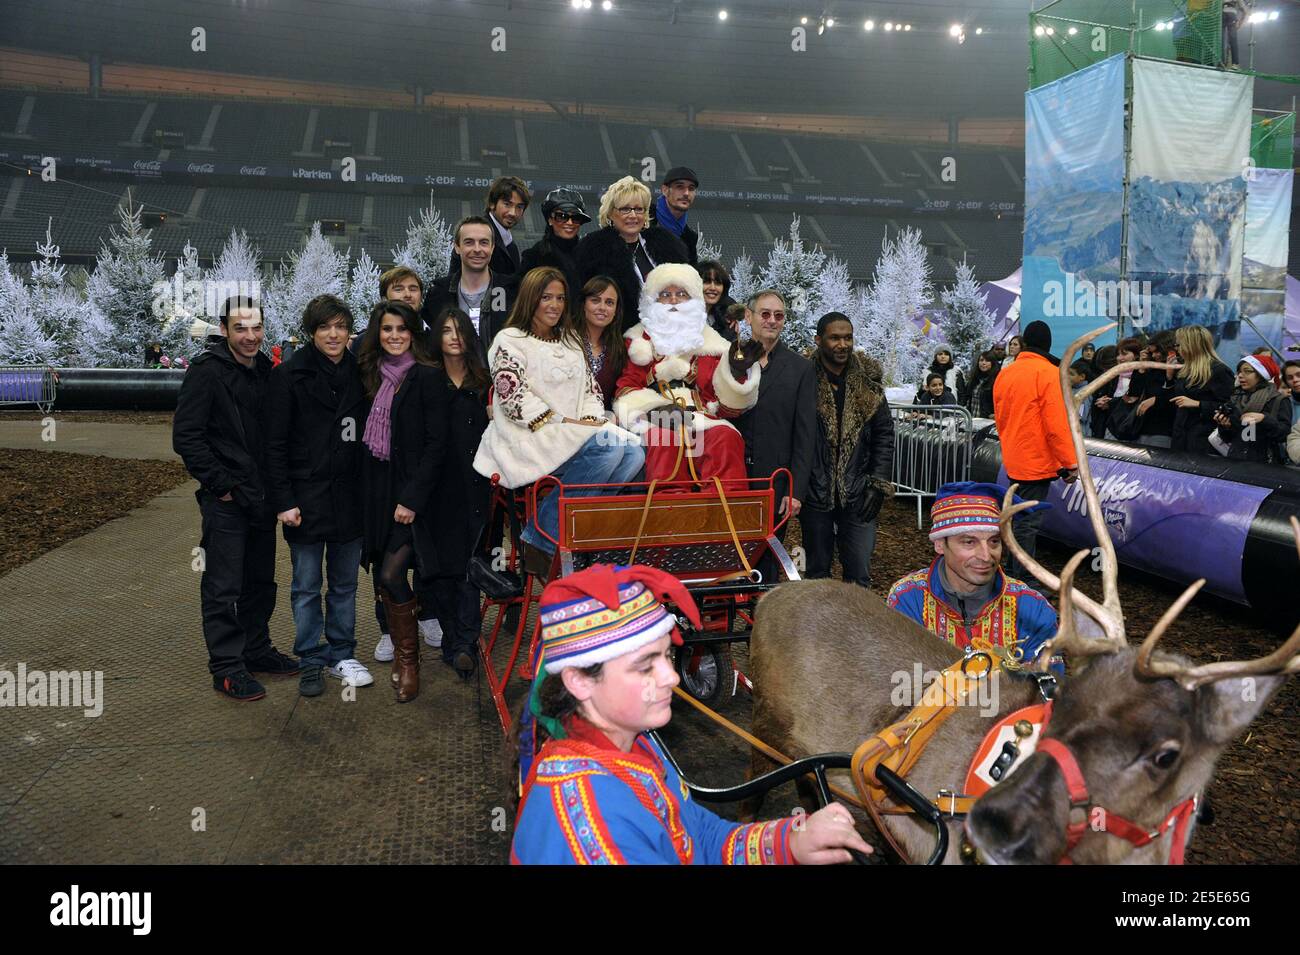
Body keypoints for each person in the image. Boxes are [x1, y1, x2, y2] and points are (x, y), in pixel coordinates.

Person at [510, 563, 873, 865]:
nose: (670, 677)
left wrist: (792, 842)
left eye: (666, 656)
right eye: (644, 666)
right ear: (579, 682)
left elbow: (698, 835)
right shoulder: (591, 826)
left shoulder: (636, 746)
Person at [472, 267, 643, 570]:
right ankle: (542, 536)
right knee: (610, 448)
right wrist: (566, 424)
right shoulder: (509, 339)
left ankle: (581, 529)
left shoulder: (570, 341)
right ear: (530, 299)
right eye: (546, 297)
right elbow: (512, 399)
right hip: (525, 435)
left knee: (633, 454)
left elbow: (591, 391)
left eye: (560, 298)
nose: (554, 305)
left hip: (571, 434)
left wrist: (590, 421)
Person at [173, 296, 298, 701]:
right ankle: (227, 667)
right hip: (226, 502)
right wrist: (221, 485)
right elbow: (187, 437)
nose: (250, 336)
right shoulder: (206, 373)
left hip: (260, 499)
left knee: (260, 582)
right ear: (224, 330)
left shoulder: (266, 371)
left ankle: (256, 649)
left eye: (256, 328)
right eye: (240, 328)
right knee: (224, 586)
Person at [264, 295, 372, 697]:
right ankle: (310, 656)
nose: (334, 334)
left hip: (350, 499)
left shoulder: (362, 375)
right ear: (312, 332)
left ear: (349, 331)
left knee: (344, 585)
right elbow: (274, 445)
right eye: (325, 327)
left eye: (341, 326)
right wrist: (283, 501)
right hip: (305, 501)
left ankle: (342, 651)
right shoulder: (289, 376)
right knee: (306, 586)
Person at [357, 300, 449, 703]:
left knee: (395, 574)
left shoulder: (427, 376)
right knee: (382, 575)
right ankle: (401, 651)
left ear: (414, 332)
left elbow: (437, 444)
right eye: (387, 329)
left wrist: (412, 498)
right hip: (376, 489)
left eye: (402, 329)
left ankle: (409, 662)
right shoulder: (368, 375)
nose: (395, 336)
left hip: (414, 493)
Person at [613, 263, 762, 484]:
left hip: (699, 418)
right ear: (653, 301)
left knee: (726, 437)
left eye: (681, 294)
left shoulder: (713, 344)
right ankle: (671, 511)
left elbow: (729, 407)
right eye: (665, 294)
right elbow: (625, 388)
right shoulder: (637, 341)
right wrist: (654, 409)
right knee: (666, 440)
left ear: (693, 300)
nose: (673, 300)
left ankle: (724, 512)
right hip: (653, 420)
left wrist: (736, 374)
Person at [886, 483, 1059, 667]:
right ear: (939, 545)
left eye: (994, 542)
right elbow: (898, 679)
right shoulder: (909, 600)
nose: (986, 556)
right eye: (969, 542)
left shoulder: (1032, 609)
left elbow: (1049, 686)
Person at [803, 312, 895, 589]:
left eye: (848, 337)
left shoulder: (869, 386)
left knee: (858, 575)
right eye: (835, 338)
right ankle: (817, 632)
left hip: (858, 493)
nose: (842, 344)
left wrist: (877, 484)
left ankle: (855, 632)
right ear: (819, 340)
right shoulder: (803, 381)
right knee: (816, 575)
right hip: (814, 493)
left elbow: (884, 436)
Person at [426, 306, 492, 679]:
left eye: (460, 329)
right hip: (437, 488)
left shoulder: (482, 382)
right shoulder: (426, 380)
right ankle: (452, 637)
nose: (454, 336)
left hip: (476, 484)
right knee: (442, 568)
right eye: (446, 330)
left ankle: (466, 642)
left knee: (471, 564)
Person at [735, 289, 817, 579]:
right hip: (733, 480)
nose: (771, 321)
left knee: (767, 565)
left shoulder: (801, 369)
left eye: (778, 315)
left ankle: (762, 619)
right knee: (729, 558)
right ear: (749, 316)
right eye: (765, 314)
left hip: (776, 483)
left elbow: (806, 434)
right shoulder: (731, 359)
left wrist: (795, 492)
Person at [991, 320, 1078, 580]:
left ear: (1025, 343)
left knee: (1019, 518)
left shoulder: (1006, 372)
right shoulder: (1049, 373)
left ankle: (1011, 573)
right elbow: (1056, 424)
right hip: (1037, 460)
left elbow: (999, 415)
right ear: (1048, 344)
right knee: (1027, 523)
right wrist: (1069, 462)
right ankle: (1023, 580)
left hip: (1014, 456)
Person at [574, 175, 690, 334]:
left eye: (639, 209)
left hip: (669, 335)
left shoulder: (668, 246)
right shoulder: (593, 252)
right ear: (610, 214)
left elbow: (690, 290)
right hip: (617, 340)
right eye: (625, 209)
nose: (633, 215)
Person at [421, 216, 514, 363]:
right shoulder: (438, 294)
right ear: (457, 247)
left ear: (492, 247)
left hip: (499, 381)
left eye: (483, 243)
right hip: (452, 383)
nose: (477, 249)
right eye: (469, 242)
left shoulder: (510, 292)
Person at [1153, 324, 1234, 456]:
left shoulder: (1219, 370)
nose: (1177, 349)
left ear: (1191, 345)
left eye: (1179, 345)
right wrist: (1169, 376)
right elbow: (1171, 402)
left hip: (1204, 442)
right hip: (1181, 438)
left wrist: (1198, 404)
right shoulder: (1184, 371)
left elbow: (1231, 408)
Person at [1209, 354, 1291, 464]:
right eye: (1239, 372)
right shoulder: (1235, 398)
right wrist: (1225, 426)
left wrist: (1264, 419)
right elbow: (1228, 438)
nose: (1240, 376)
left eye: (1247, 371)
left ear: (1261, 374)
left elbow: (1284, 434)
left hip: (1266, 464)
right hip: (1235, 460)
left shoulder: (1278, 400)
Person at [517, 188, 590, 297]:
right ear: (550, 220)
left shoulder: (589, 255)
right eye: (562, 216)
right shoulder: (534, 257)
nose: (570, 223)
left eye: (575, 218)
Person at [578, 276, 627, 409]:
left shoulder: (620, 350)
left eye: (609, 302)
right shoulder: (566, 341)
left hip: (602, 423)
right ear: (583, 305)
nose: (602, 308)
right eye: (595, 300)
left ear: (616, 310)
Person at [1131, 331, 1177, 448]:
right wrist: (1141, 368)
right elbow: (1134, 392)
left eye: (1158, 351)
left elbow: (1174, 398)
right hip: (1142, 425)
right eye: (1152, 352)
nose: (1155, 355)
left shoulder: (1178, 368)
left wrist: (1169, 377)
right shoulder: (1150, 368)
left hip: (1164, 428)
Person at [649, 166, 700, 265]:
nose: (686, 193)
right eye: (680, 187)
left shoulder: (690, 237)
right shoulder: (643, 218)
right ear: (665, 190)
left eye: (691, 188)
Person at [698, 259, 737, 342]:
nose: (713, 287)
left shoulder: (726, 320)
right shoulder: (682, 318)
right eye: (706, 282)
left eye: (718, 283)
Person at [964, 351, 999, 419]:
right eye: (981, 360)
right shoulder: (974, 379)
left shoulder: (996, 380)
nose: (983, 363)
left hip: (987, 420)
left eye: (987, 361)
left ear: (992, 363)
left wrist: (992, 414)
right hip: (972, 418)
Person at [1068, 360, 1093, 434]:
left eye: (1071, 374)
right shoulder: (1072, 388)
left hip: (1080, 433)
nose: (1067, 376)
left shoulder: (1084, 393)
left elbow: (1081, 416)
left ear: (1082, 377)